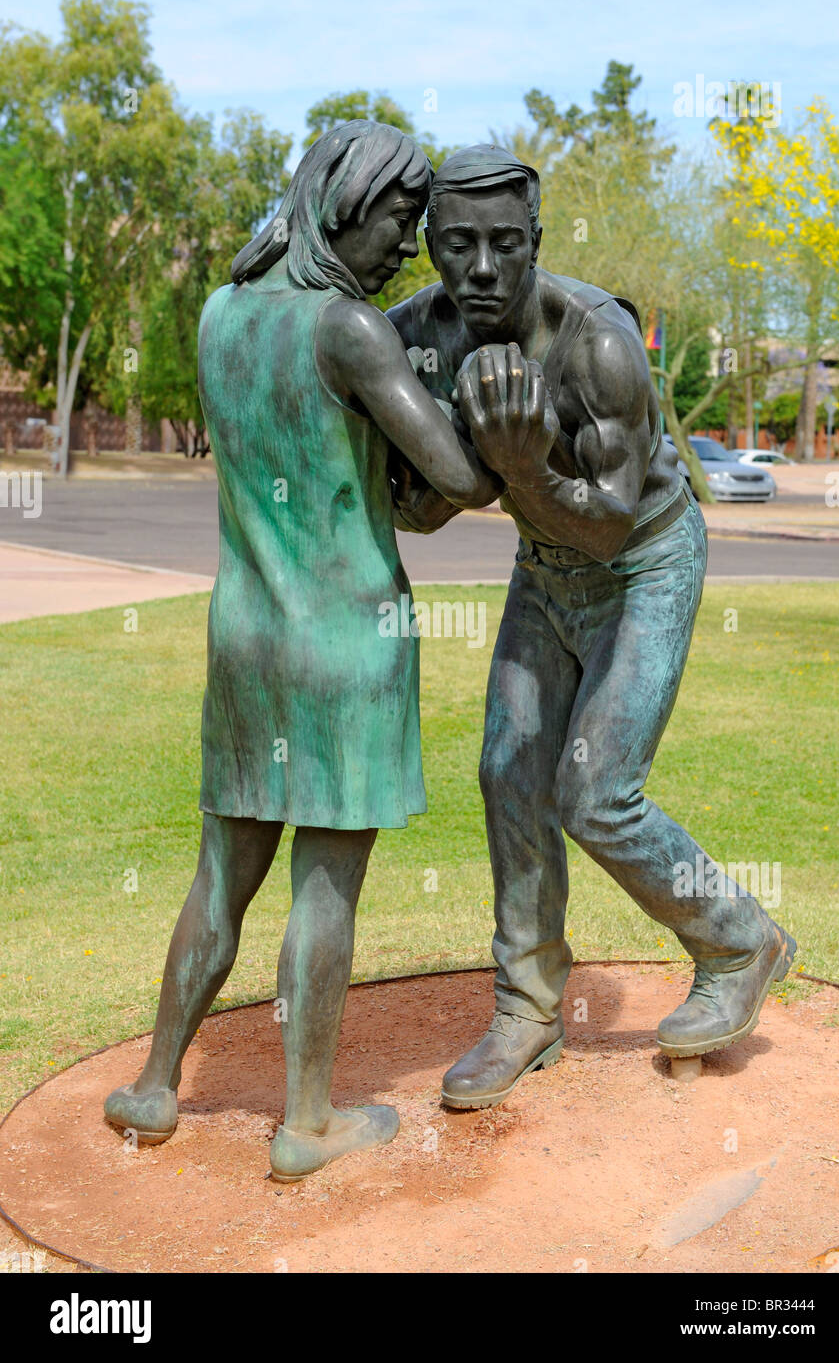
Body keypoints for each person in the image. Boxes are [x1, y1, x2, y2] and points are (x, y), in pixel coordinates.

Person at [103, 123, 535, 1179]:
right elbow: (460, 476)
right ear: (346, 200)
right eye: (400, 218)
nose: (408, 246)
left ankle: (158, 1086)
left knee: (220, 870)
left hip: (245, 633)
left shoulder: (219, 314)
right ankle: (307, 1121)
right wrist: (494, 410)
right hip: (347, 642)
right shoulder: (348, 328)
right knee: (324, 884)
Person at [388, 144, 797, 1109]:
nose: (479, 269)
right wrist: (455, 469)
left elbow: (611, 519)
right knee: (507, 772)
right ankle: (527, 1009)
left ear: (534, 239)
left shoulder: (598, 341)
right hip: (544, 568)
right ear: (432, 249)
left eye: (502, 244)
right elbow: (414, 499)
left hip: (644, 561)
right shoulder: (416, 335)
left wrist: (520, 469)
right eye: (455, 247)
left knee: (594, 790)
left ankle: (739, 940)